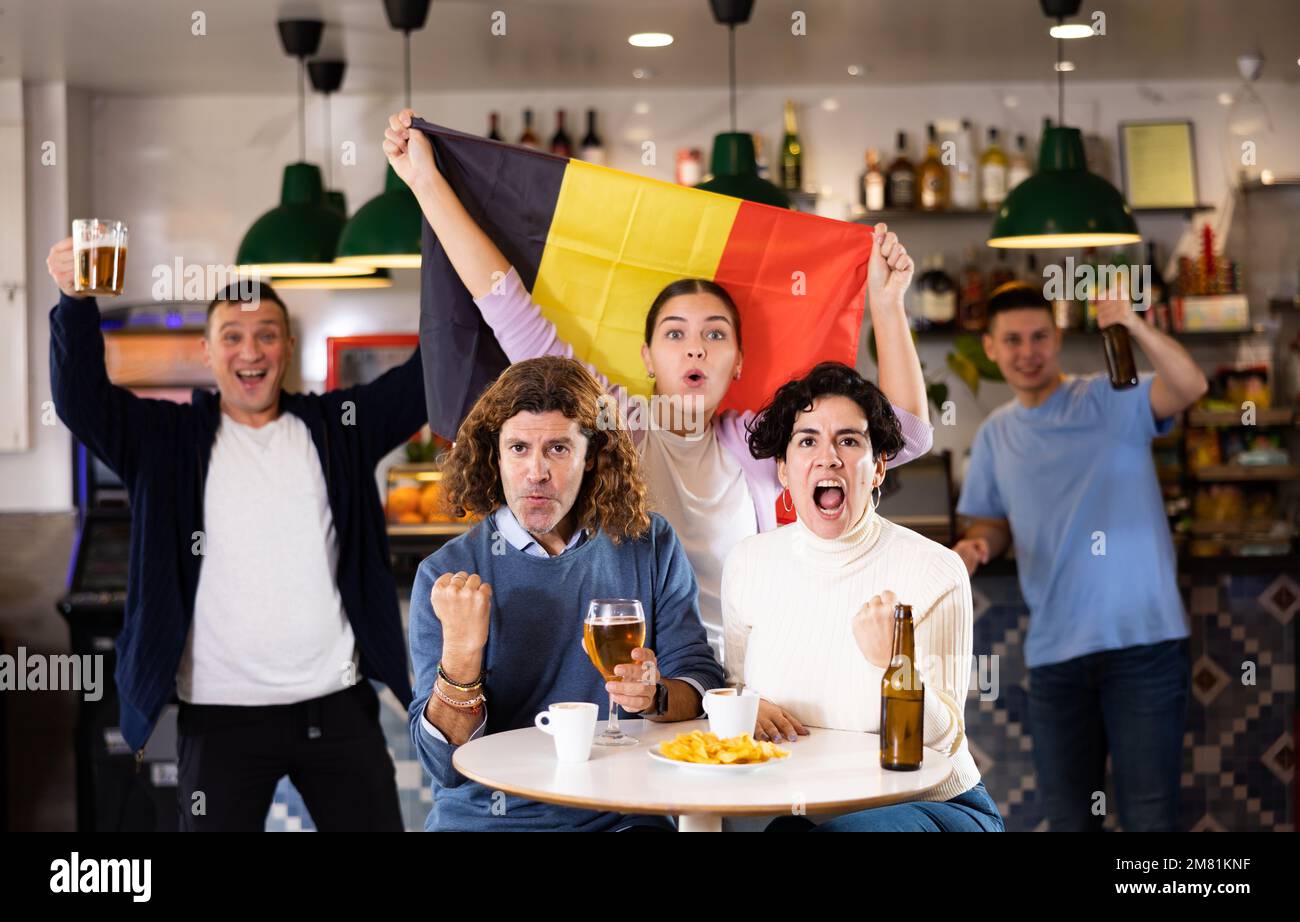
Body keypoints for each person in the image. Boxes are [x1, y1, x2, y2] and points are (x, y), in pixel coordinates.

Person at [382, 108, 933, 658]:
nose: (696, 347)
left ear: (739, 361)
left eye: (715, 335)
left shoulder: (766, 441)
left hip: (760, 677)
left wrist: (887, 304)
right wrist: (426, 183)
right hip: (645, 680)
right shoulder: (616, 422)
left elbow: (905, 435)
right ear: (648, 357)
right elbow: (507, 306)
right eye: (676, 334)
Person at [47, 241, 423, 831]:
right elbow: (80, 400)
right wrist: (75, 301)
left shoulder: (337, 429)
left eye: (268, 334)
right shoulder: (163, 441)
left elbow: (424, 381)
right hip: (219, 715)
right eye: (232, 336)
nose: (251, 352)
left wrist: (462, 260)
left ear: (289, 347)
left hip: (335, 706)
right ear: (207, 350)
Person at [409, 356, 724, 831]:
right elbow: (441, 763)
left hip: (620, 817)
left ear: (592, 453)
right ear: (495, 456)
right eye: (518, 448)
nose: (536, 472)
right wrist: (459, 655)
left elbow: (697, 682)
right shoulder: (447, 574)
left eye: (557, 448)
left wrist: (654, 696)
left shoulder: (650, 544)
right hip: (487, 821)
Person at [954, 281, 1206, 831]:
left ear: (1059, 338)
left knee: (1150, 817)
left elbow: (1191, 384)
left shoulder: (1111, 397)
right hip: (1055, 656)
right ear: (991, 349)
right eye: (1013, 340)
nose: (1028, 352)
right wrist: (978, 545)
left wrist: (1134, 324)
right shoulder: (997, 435)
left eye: (1039, 336)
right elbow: (991, 521)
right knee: (1070, 820)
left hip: (1145, 645)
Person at [721, 362, 1002, 831]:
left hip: (931, 805)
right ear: (784, 470)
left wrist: (893, 666)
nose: (828, 457)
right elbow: (736, 686)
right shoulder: (749, 562)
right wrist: (746, 703)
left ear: (878, 469)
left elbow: (944, 739)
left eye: (849, 441)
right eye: (807, 440)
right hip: (807, 812)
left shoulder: (934, 569)